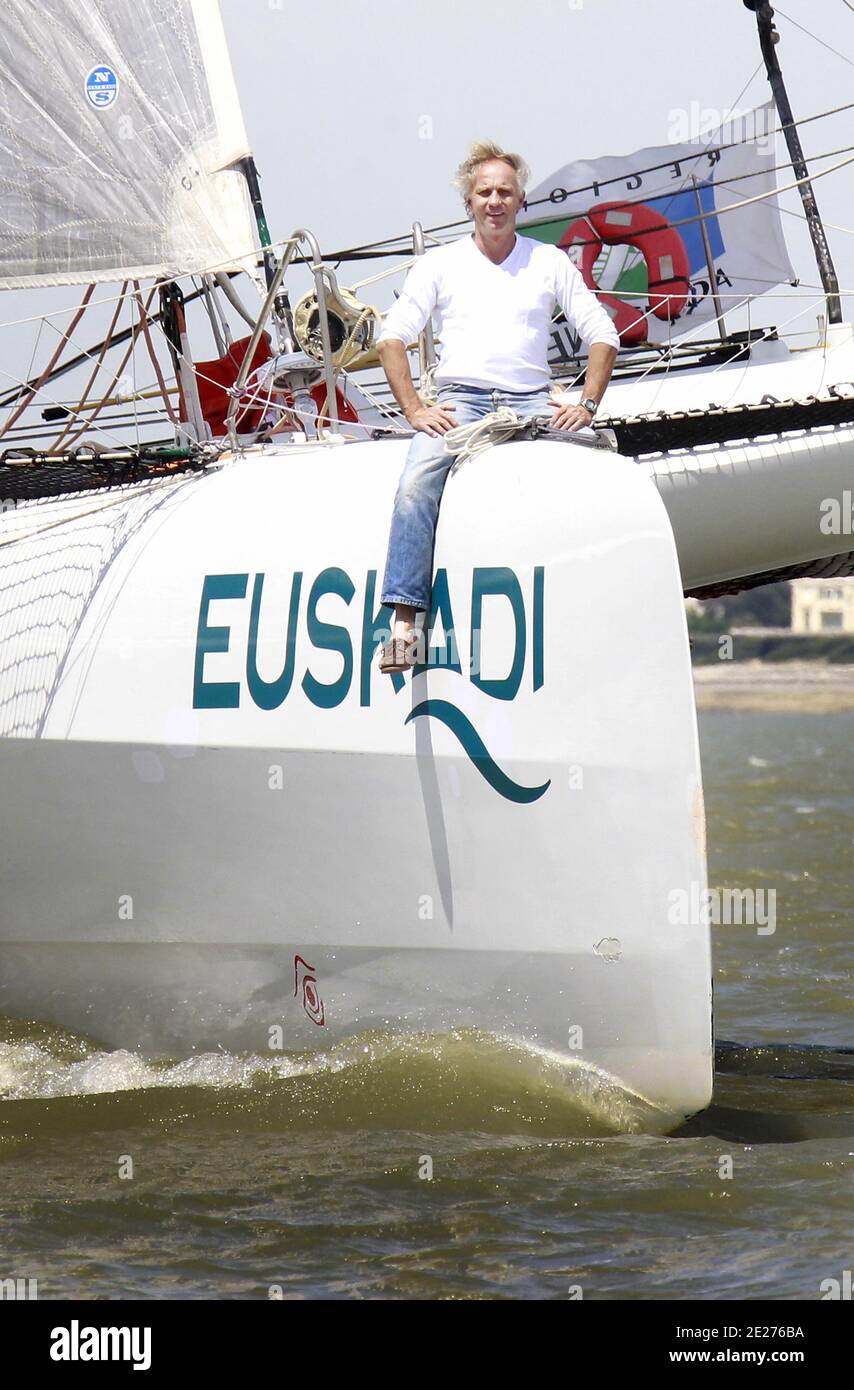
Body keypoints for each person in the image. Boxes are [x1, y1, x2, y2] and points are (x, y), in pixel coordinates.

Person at [377, 140, 620, 674]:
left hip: (532, 401)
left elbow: (602, 333)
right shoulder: (439, 263)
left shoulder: (547, 261)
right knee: (416, 482)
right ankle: (402, 624)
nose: (494, 201)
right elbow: (391, 338)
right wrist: (416, 409)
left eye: (504, 192)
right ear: (468, 201)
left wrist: (588, 402)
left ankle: (591, 610)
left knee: (597, 473)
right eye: (484, 191)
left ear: (520, 201)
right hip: (460, 402)